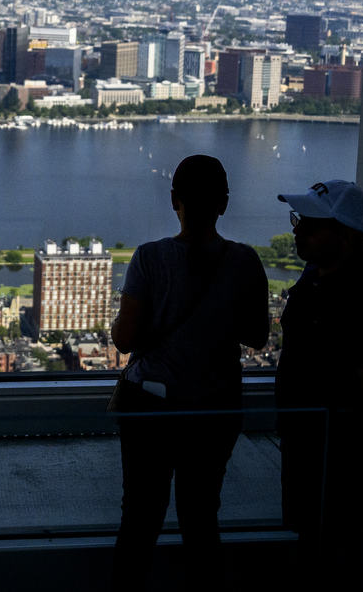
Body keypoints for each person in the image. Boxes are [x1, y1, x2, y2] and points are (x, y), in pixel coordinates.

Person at [109, 155, 270, 592]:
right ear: (224, 204)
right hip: (214, 409)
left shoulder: (149, 258)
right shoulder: (245, 261)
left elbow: (125, 339)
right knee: (201, 517)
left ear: (174, 200)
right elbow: (257, 336)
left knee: (139, 518)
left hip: (150, 408)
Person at [275, 180, 363, 589]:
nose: (297, 230)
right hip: (311, 448)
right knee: (314, 548)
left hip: (342, 458)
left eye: (311, 225)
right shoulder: (316, 277)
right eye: (298, 220)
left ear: (347, 236)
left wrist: (352, 480)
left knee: (336, 550)